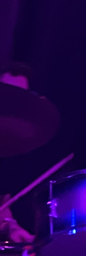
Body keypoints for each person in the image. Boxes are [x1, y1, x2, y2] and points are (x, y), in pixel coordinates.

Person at [0, 62, 37, 245]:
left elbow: (2, 203)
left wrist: (11, 226)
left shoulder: (10, 149)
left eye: (21, 97)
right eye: (8, 94)